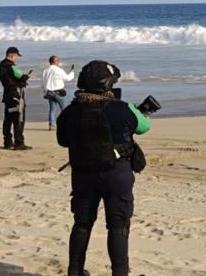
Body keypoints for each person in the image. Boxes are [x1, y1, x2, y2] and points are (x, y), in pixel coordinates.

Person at [57, 60, 151, 276]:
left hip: (82, 175)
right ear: (107, 84)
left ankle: (75, 271)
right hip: (116, 174)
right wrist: (138, 113)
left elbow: (63, 141)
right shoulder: (121, 108)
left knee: (82, 224)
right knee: (118, 226)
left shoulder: (70, 112)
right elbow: (144, 127)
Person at [0, 46, 32, 150]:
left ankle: (7, 142)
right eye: (16, 56)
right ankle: (19, 143)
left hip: (8, 96)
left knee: (8, 119)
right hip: (16, 96)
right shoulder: (11, 66)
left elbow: (10, 79)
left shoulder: (1, 66)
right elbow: (20, 76)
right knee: (19, 119)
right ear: (12, 55)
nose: (17, 58)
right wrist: (27, 77)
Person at [42, 55, 75, 131]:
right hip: (59, 92)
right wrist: (72, 72)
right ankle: (66, 124)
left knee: (52, 109)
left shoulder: (45, 71)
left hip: (49, 92)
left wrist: (45, 92)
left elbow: (43, 83)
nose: (59, 62)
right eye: (58, 61)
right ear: (55, 61)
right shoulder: (59, 70)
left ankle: (52, 124)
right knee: (65, 109)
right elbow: (67, 78)